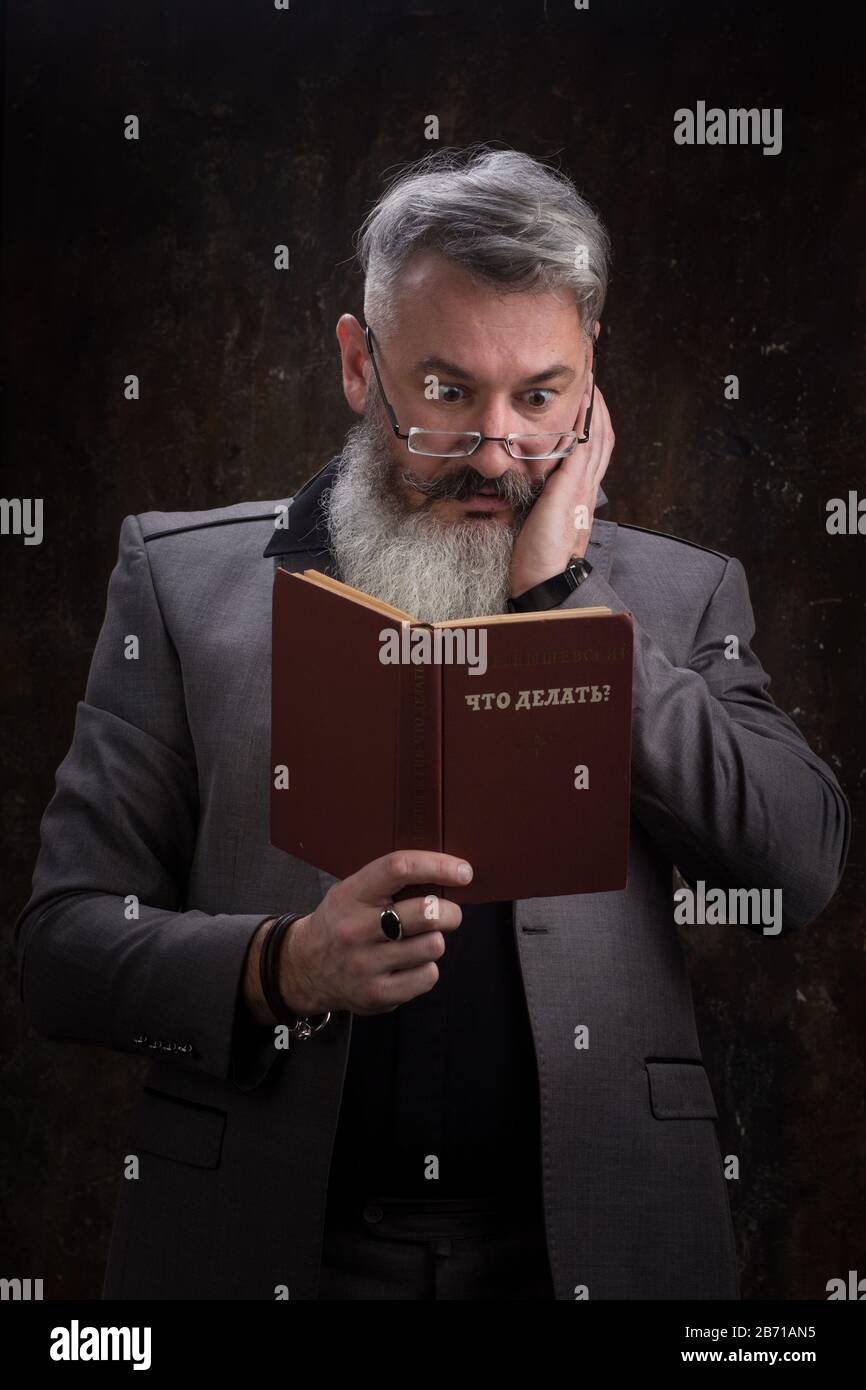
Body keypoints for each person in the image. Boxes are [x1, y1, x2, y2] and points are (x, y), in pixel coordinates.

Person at [14, 146, 850, 1301]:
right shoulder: (177, 580)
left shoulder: (675, 597)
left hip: (597, 1248)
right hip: (264, 1247)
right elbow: (62, 949)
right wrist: (282, 965)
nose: (497, 453)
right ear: (362, 364)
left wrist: (565, 602)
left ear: (591, 379)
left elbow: (796, 861)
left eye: (539, 396)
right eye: (448, 393)